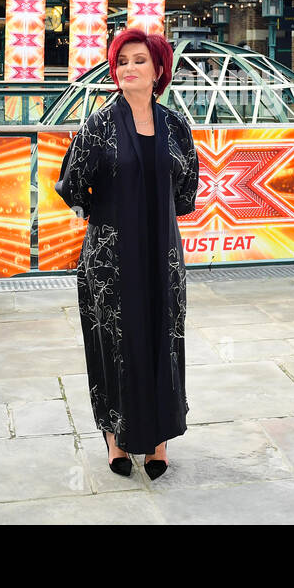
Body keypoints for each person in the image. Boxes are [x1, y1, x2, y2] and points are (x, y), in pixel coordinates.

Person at [54, 28, 200, 480]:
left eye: (139, 61)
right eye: (122, 62)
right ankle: (116, 438)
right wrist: (114, 215)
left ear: (159, 70)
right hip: (110, 258)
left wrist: (152, 214)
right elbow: (71, 184)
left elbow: (187, 189)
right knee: (116, 345)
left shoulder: (176, 124)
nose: (128, 69)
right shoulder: (98, 125)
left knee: (161, 340)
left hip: (162, 255)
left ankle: (157, 439)